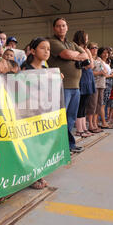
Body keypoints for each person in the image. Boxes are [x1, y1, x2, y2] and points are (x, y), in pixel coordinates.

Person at [47, 18, 88, 154]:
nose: (61, 28)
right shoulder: (52, 42)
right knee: (60, 118)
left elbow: (87, 58)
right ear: (54, 28)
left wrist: (76, 56)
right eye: (58, 26)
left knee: (70, 118)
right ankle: (58, 147)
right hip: (61, 86)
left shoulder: (71, 43)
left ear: (67, 27)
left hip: (75, 87)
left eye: (63, 26)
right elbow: (66, 54)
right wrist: (77, 56)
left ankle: (68, 144)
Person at [20, 37, 51, 189]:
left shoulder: (47, 71)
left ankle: (40, 173)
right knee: (31, 145)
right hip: (29, 113)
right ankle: (33, 176)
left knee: (41, 145)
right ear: (32, 51)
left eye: (48, 49)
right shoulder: (25, 69)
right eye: (42, 48)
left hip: (43, 112)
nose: (46, 51)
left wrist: (57, 78)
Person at [73, 30, 94, 138]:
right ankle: (79, 129)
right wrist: (86, 62)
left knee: (84, 104)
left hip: (88, 76)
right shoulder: (76, 48)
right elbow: (85, 64)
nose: (87, 39)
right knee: (80, 104)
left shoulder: (85, 50)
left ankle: (83, 128)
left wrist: (86, 62)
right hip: (81, 77)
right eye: (86, 37)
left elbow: (91, 65)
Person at [97, 47, 113, 128]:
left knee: (105, 103)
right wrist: (111, 75)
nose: (106, 54)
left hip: (109, 84)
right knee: (102, 103)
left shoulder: (107, 62)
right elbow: (104, 74)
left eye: (107, 53)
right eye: (104, 53)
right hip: (104, 83)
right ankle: (103, 122)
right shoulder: (100, 61)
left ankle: (100, 121)